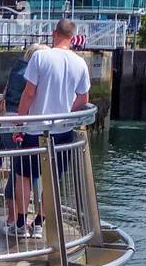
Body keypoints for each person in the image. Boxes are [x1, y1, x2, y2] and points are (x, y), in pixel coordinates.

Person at [14, 19, 91, 232]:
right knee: (52, 178)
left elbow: (29, 93)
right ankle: (39, 224)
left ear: (53, 33)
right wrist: (65, 112)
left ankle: (21, 223)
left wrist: (20, 121)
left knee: (24, 175)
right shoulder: (80, 63)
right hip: (62, 130)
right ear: (73, 38)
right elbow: (83, 99)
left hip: (34, 127)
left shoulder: (41, 56)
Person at [2, 43, 46, 228]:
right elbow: (29, 97)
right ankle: (16, 219)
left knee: (18, 172)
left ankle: (15, 217)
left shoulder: (16, 70)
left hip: (7, 123)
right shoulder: (32, 74)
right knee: (22, 175)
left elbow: (5, 95)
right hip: (20, 125)